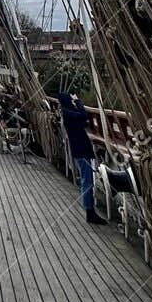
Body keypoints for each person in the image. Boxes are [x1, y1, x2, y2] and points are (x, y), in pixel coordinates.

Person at [58, 91, 105, 224]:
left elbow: (82, 121)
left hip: (81, 150)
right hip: (81, 151)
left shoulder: (68, 113)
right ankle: (90, 212)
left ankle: (90, 211)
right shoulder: (68, 113)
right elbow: (84, 115)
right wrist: (78, 101)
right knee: (87, 181)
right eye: (70, 100)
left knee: (87, 180)